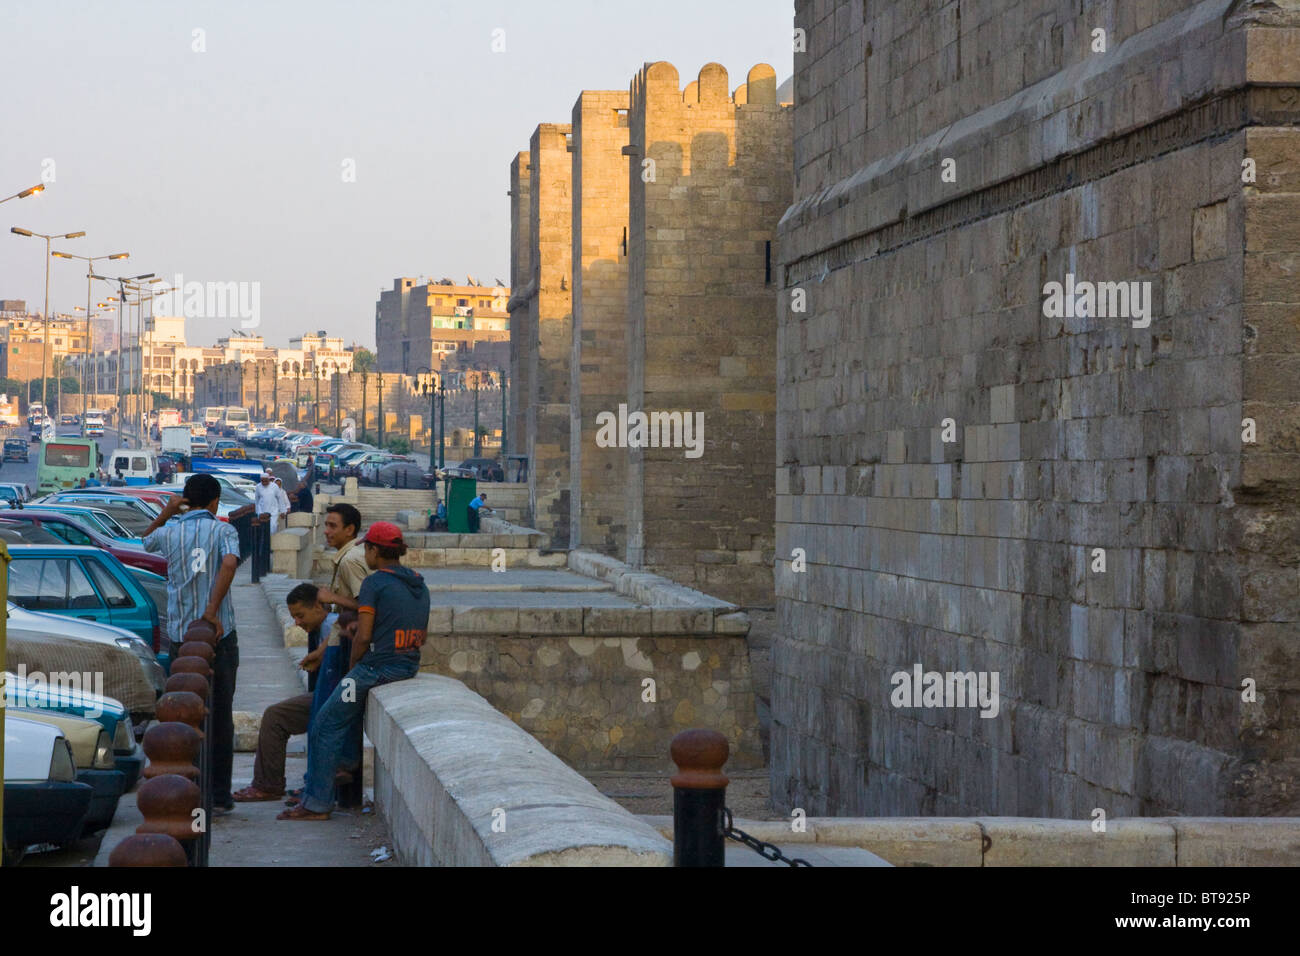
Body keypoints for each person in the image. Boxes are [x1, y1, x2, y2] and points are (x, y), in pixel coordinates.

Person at [279, 521, 429, 821]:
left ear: (375, 550)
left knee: (323, 723)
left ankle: (317, 803)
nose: (366, 555)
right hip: (408, 662)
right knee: (339, 719)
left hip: (378, 667)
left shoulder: (375, 583)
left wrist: (352, 670)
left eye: (368, 549)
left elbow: (362, 635)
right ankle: (342, 764)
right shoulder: (418, 581)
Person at [142, 474, 241, 814]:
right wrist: (212, 609)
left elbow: (145, 541)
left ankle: (187, 789)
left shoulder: (171, 532)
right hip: (219, 635)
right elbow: (229, 562)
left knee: (184, 714)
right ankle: (218, 795)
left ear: (187, 500)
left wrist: (168, 511)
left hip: (183, 639)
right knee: (221, 713)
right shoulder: (224, 531)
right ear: (214, 502)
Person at [231, 584, 338, 802]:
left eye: (300, 615)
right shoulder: (322, 629)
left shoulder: (330, 626)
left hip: (336, 698)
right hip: (329, 695)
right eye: (294, 617)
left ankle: (268, 785)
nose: (297, 623)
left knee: (275, 717)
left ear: (318, 607)